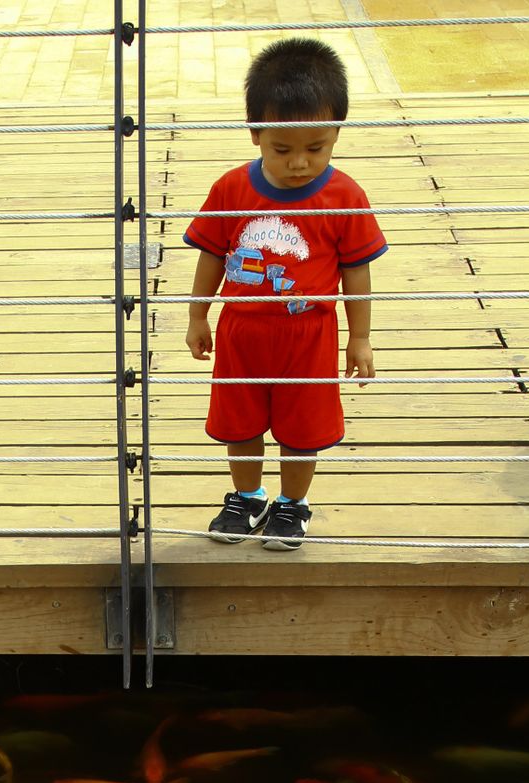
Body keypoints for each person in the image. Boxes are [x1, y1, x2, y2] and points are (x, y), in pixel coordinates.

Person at [184, 37, 388, 551]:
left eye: (316, 148)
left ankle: (293, 504)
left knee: (303, 427)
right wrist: (197, 316)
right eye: (283, 149)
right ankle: (247, 496)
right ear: (255, 133)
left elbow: (356, 272)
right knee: (240, 421)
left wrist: (360, 338)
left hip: (309, 334)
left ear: (337, 131)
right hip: (242, 330)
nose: (299, 163)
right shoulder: (231, 190)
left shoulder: (345, 197)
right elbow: (211, 256)